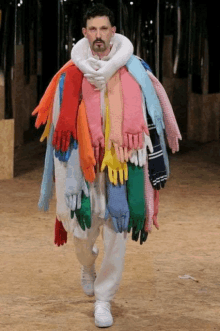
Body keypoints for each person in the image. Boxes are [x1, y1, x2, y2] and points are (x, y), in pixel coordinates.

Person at [32, 3, 181, 328]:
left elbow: (149, 123)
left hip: (122, 171)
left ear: (113, 31)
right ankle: (87, 266)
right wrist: (63, 184)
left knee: (116, 236)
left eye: (104, 28)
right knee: (82, 237)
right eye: (92, 29)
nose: (98, 35)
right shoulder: (67, 78)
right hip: (81, 176)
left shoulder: (134, 72)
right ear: (85, 33)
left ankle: (104, 300)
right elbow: (59, 137)